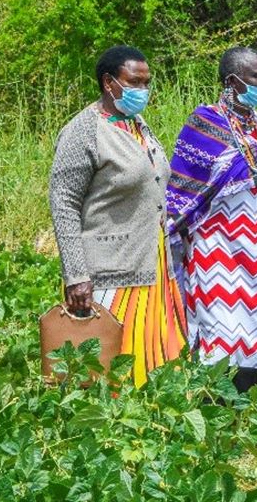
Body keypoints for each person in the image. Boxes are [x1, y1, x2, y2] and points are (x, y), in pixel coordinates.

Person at [47, 45, 187, 386]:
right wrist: (76, 274)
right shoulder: (84, 131)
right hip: (110, 268)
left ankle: (150, 425)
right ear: (109, 83)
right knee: (111, 361)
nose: (143, 90)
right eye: (134, 82)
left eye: (147, 82)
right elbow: (63, 202)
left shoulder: (137, 125)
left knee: (153, 356)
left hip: (152, 263)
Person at [166, 46, 257, 394]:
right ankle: (213, 412)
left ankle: (246, 411)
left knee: (254, 332)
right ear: (234, 82)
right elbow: (184, 189)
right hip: (216, 249)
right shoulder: (205, 123)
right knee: (219, 331)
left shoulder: (256, 126)